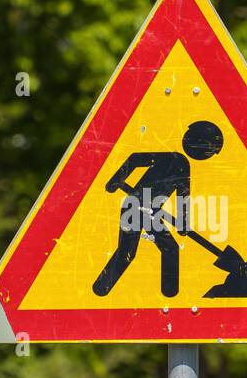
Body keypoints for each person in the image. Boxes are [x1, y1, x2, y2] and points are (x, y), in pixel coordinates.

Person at [92, 121, 223, 298]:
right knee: (128, 253)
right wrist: (114, 181)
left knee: (165, 249)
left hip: (149, 212)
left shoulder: (182, 164)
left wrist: (183, 223)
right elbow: (135, 159)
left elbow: (182, 198)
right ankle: (100, 290)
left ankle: (169, 295)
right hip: (135, 208)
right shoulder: (173, 159)